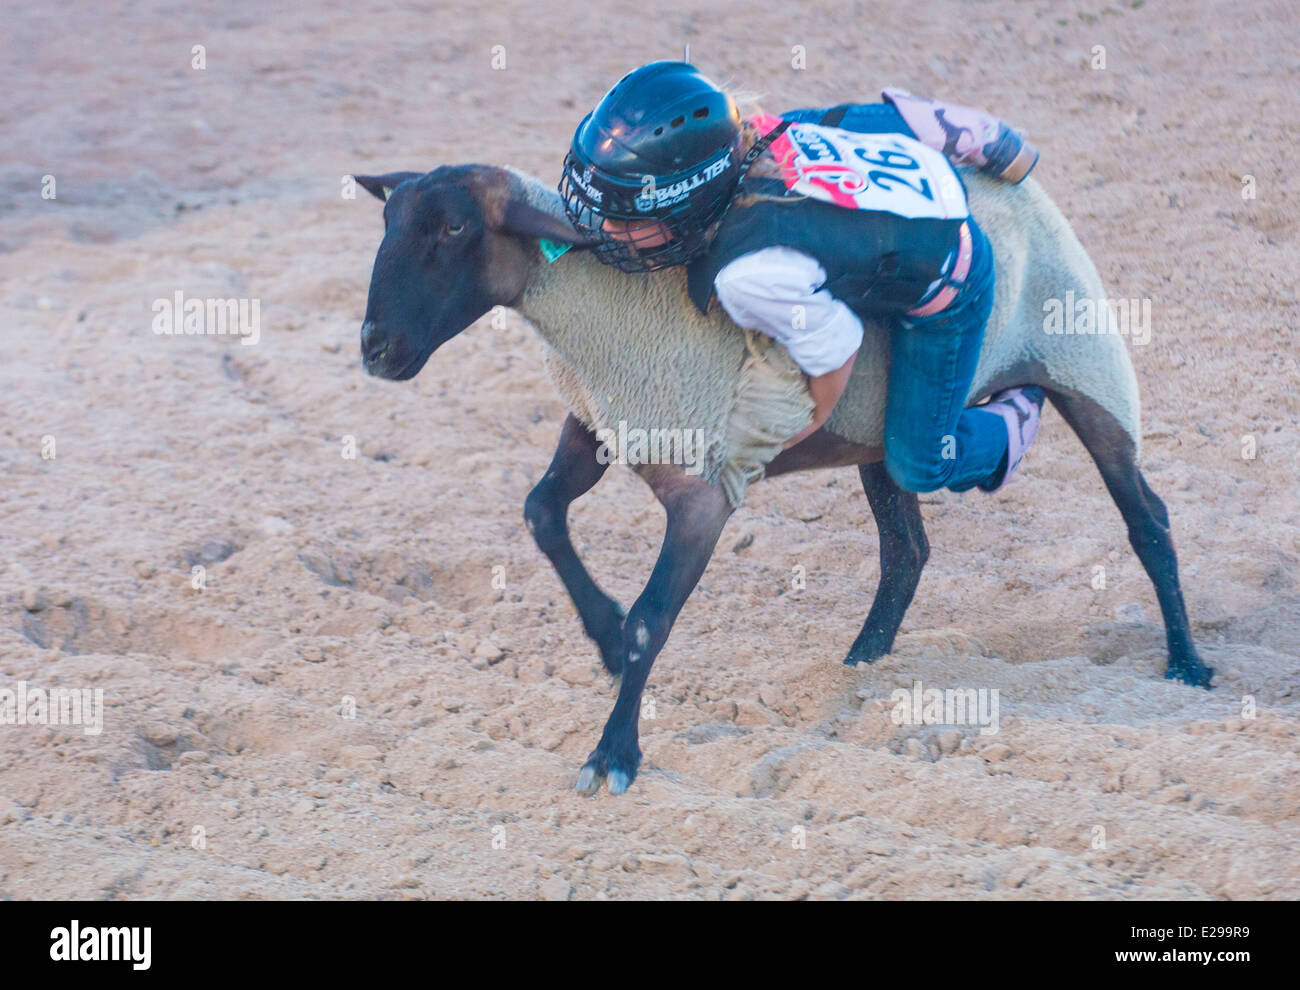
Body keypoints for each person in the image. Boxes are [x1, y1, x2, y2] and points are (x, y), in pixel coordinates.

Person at [558, 61, 1046, 494]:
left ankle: (1012, 424)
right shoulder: (743, 136)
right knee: (803, 126)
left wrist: (808, 423)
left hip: (950, 264)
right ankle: (959, 131)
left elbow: (838, 344)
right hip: (882, 164)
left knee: (918, 465)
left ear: (687, 207)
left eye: (623, 216)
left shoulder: (746, 275)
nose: (606, 228)